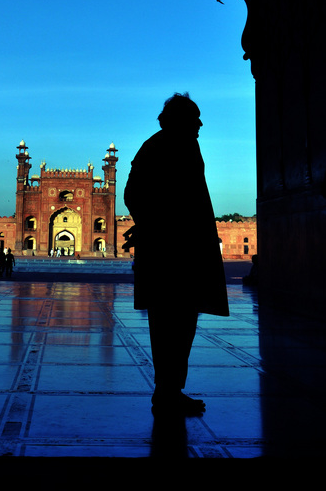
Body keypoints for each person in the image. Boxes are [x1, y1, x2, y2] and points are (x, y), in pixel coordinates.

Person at [124, 92, 229, 418]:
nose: (199, 123)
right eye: (194, 117)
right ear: (178, 120)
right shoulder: (158, 147)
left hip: (183, 251)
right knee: (171, 323)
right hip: (170, 254)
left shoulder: (176, 146)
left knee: (180, 324)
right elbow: (133, 195)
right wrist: (156, 225)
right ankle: (166, 393)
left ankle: (170, 390)